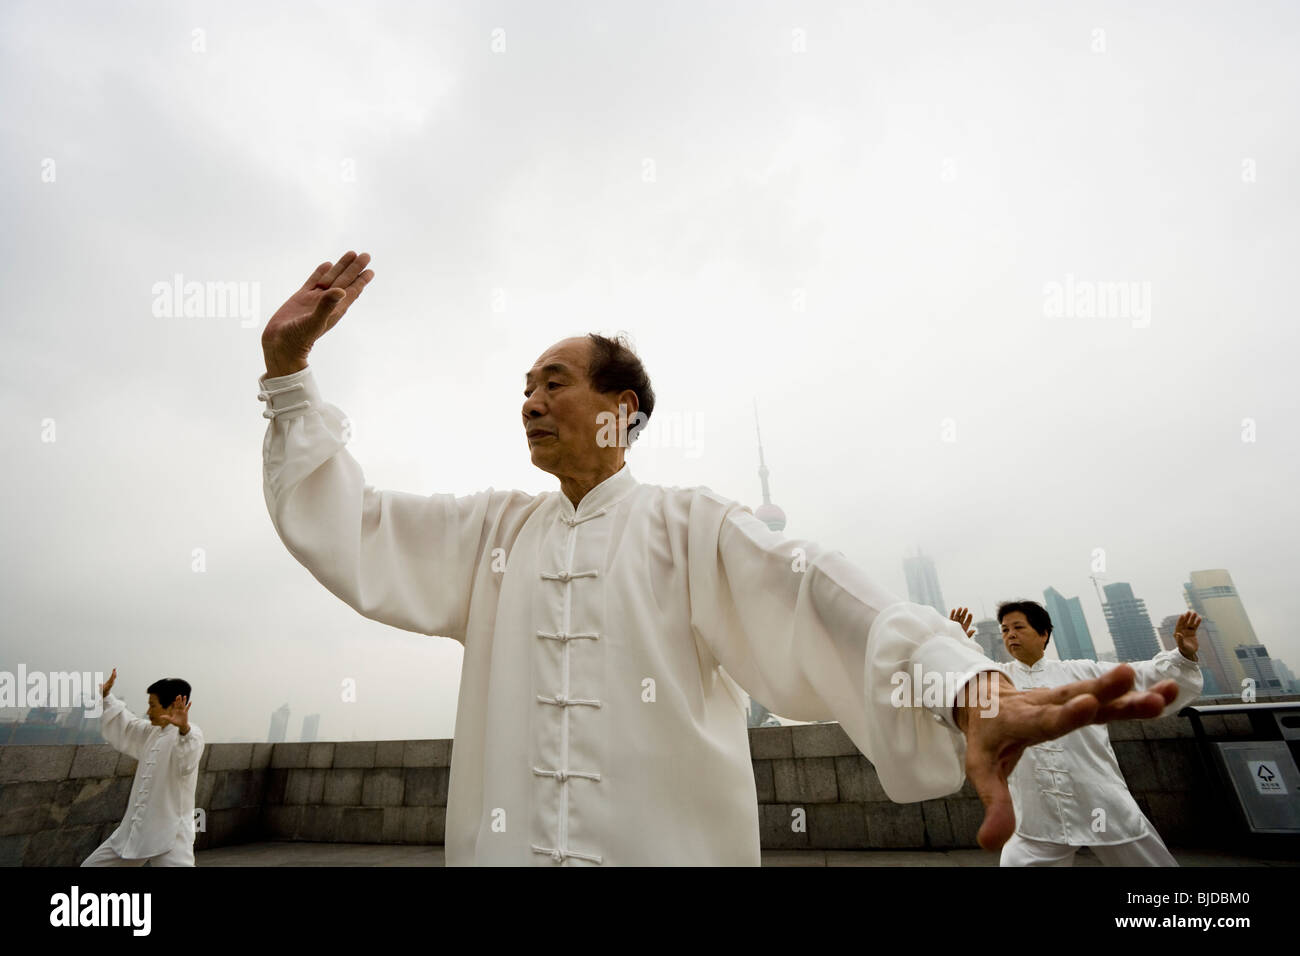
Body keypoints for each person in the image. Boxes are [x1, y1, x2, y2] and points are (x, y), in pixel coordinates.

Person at [256, 250, 1181, 865]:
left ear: (622, 411)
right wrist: (289, 375)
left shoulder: (690, 526)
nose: (530, 401)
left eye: (555, 380)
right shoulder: (491, 535)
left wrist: (966, 686)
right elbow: (355, 527)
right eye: (524, 387)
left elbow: (822, 595)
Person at [948, 602, 1203, 866]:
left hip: (1101, 802)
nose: (1010, 634)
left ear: (1044, 633)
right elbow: (959, 695)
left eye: (1018, 627)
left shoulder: (1081, 672)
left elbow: (1141, 675)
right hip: (1037, 815)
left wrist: (1183, 656)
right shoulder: (999, 682)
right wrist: (956, 650)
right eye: (1004, 630)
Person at [81, 669, 204, 867]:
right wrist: (107, 696)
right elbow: (128, 725)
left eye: (152, 705)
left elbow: (187, 761)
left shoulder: (192, 735)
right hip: (135, 831)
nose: (148, 711)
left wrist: (184, 729)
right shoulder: (152, 732)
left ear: (173, 705)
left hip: (171, 834)